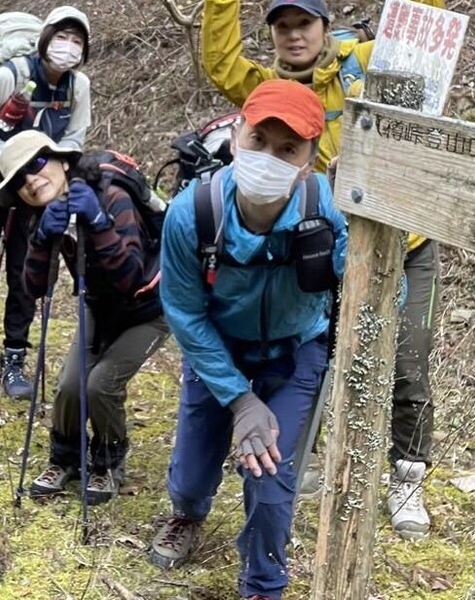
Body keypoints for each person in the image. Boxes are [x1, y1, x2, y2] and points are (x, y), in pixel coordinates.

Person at [195, 0, 445, 537]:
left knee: (406, 361)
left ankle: (407, 480)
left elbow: (423, 59)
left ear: (326, 26)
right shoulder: (268, 93)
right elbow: (221, 65)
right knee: (321, 356)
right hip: (325, 252)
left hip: (402, 241)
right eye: (281, 26)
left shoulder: (362, 63)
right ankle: (307, 464)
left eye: (304, 23)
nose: (294, 34)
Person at [147, 81, 346, 600]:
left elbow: (377, 285)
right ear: (236, 136)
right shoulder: (193, 212)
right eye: (259, 140)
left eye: (288, 149)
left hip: (297, 345)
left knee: (270, 472)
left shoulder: (328, 208)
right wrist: (239, 399)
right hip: (220, 345)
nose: (268, 157)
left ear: (308, 160)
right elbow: (185, 313)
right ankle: (188, 514)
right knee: (192, 472)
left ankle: (263, 584)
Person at [1, 131, 169, 505]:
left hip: (150, 309)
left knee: (101, 385)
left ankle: (108, 462)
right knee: (70, 386)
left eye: (37, 164)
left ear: (62, 161)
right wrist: (43, 240)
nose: (31, 179)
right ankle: (66, 458)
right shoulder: (48, 211)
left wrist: (97, 222)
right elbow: (34, 288)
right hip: (99, 307)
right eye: (19, 180)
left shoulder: (111, 196)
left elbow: (129, 277)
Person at [0, 6, 93, 402]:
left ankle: (15, 355)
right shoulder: (10, 75)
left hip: (39, 187)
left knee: (28, 270)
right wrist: (10, 162)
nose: (67, 48)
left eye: (77, 41)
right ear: (45, 38)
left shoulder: (78, 86)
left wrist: (48, 165)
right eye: (61, 37)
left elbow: (76, 136)